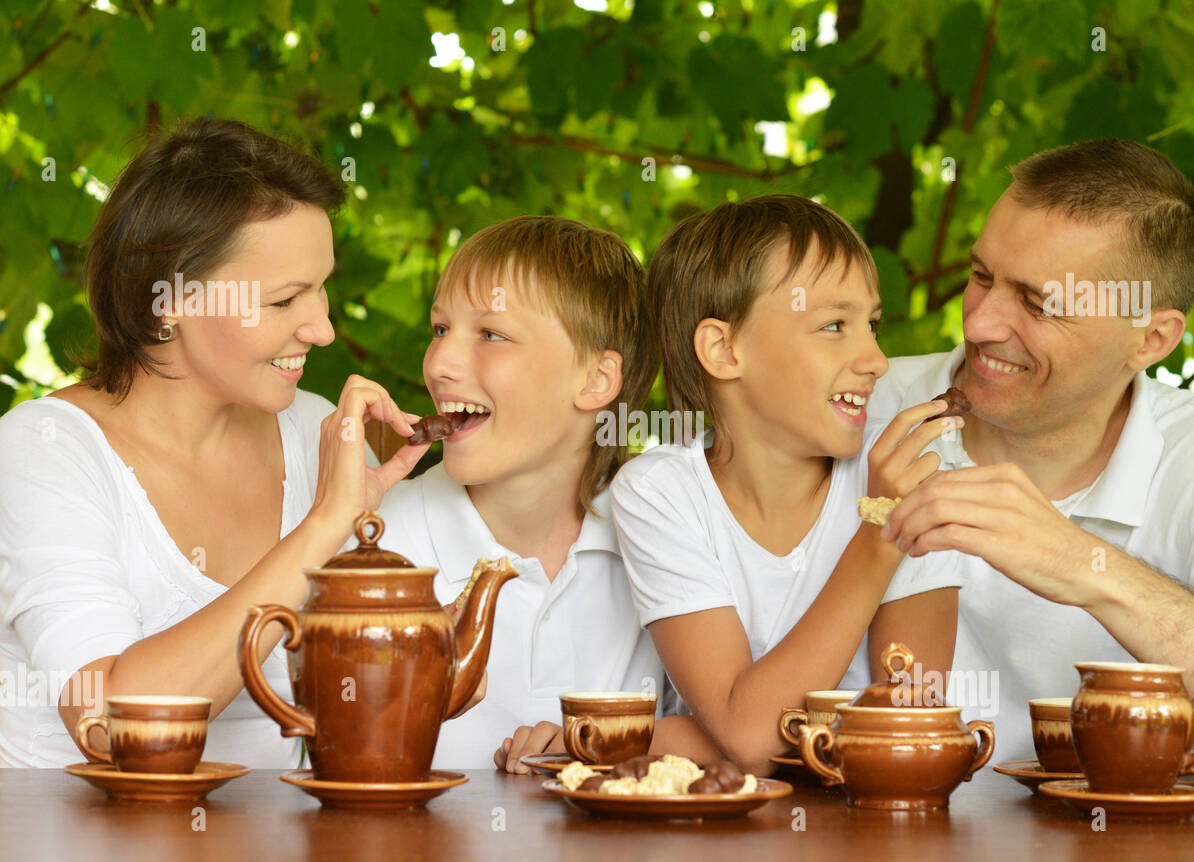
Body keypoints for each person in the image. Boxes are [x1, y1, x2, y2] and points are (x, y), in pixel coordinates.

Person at [0, 118, 430, 768]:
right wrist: (322, 527)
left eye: (322, 288)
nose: (322, 328)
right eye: (285, 300)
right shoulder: (47, 450)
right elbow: (112, 724)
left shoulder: (316, 432)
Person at [869, 139, 1194, 786]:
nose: (981, 323)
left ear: (1151, 339)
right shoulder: (860, 409)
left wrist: (1086, 566)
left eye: (1038, 304)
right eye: (982, 275)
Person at [610, 195, 966, 775]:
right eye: (834, 325)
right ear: (724, 351)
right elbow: (752, 739)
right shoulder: (658, 493)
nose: (876, 359)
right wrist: (881, 531)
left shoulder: (912, 471)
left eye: (872, 325)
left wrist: (664, 737)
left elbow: (910, 729)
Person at [376, 216, 679, 772]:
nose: (439, 364)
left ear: (595, 381)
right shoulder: (381, 544)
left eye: (491, 335)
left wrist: (610, 746)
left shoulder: (667, 539)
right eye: (440, 329)